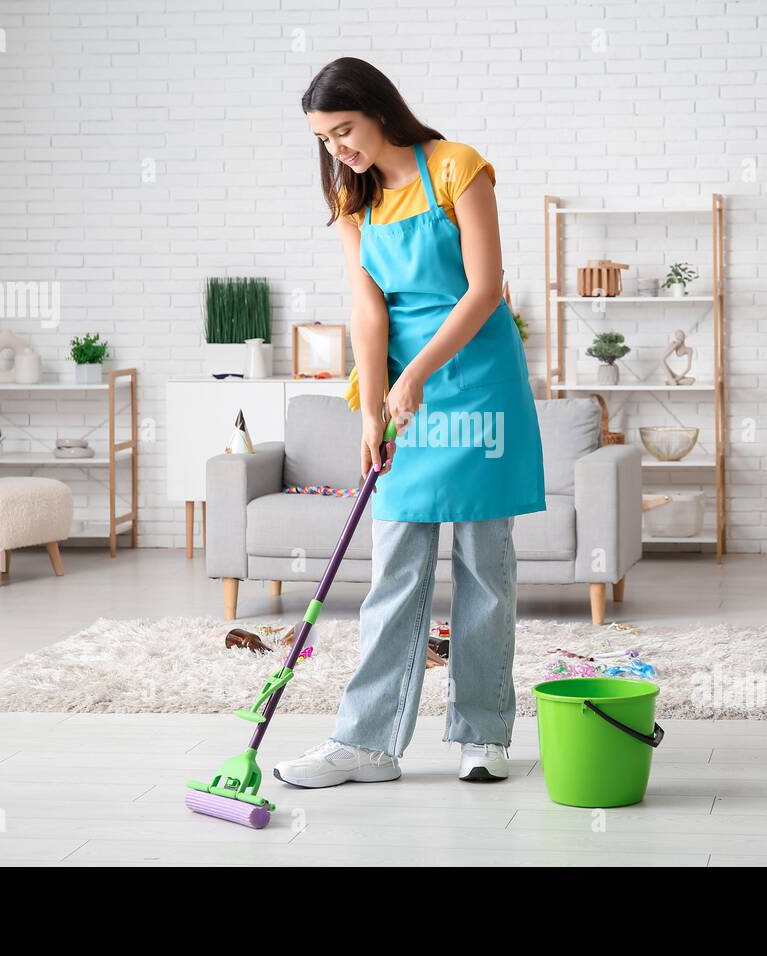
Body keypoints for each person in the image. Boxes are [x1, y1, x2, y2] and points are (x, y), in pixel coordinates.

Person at [274, 57, 545, 787]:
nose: (339, 149)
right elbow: (368, 308)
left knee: (486, 566)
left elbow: (486, 288)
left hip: (476, 382)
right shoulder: (353, 199)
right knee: (395, 566)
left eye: (345, 130)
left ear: (378, 109)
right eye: (325, 140)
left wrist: (417, 374)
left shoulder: (458, 168)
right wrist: (372, 405)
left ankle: (483, 734)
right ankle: (366, 742)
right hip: (401, 396)